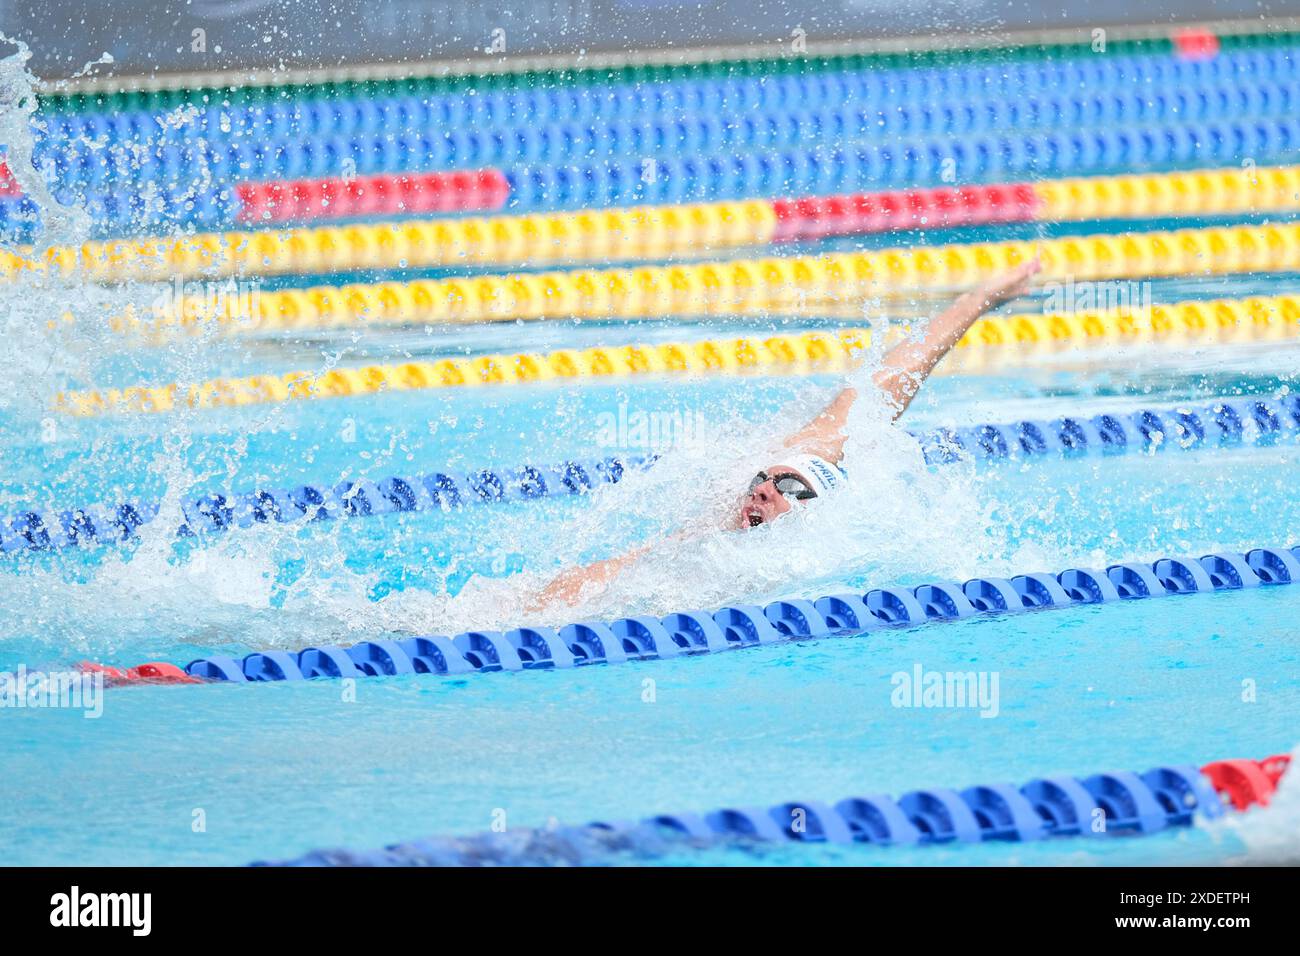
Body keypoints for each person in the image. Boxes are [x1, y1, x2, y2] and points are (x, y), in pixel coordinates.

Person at [532, 256, 1042, 608]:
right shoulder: (718, 529)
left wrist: (982, 298)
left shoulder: (838, 550)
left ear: (817, 507)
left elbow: (900, 374)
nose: (763, 489)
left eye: (789, 489)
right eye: (766, 478)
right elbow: (616, 570)